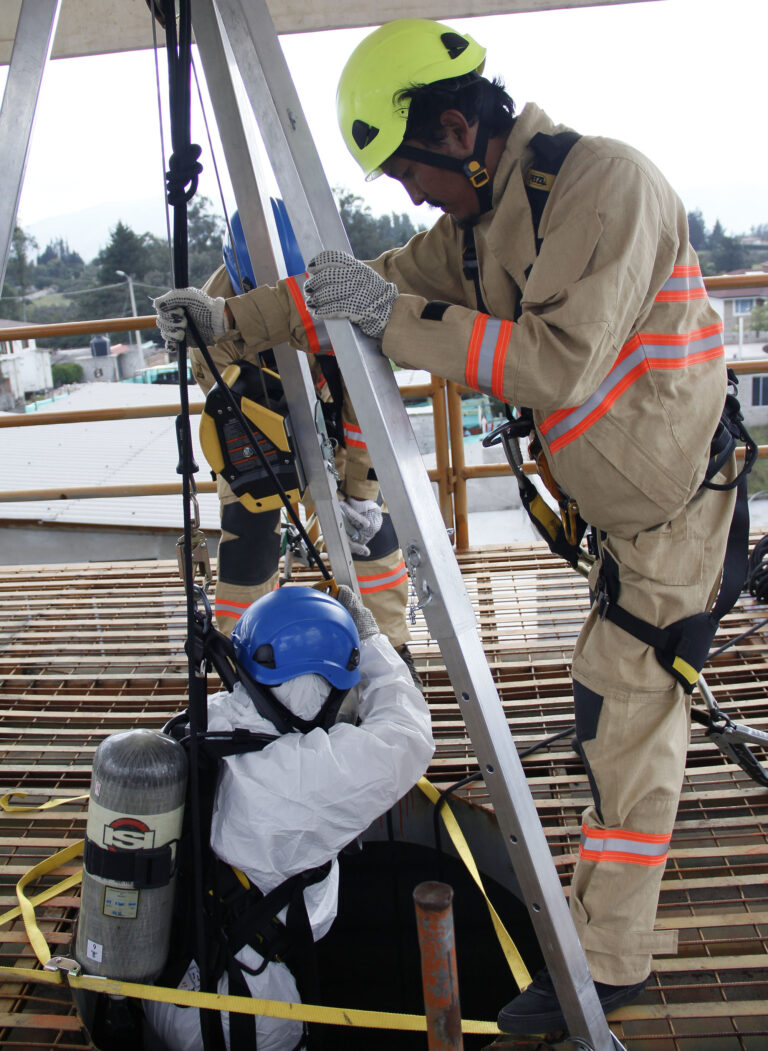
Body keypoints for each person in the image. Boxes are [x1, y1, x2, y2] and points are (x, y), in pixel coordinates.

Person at [154, 16, 738, 1035]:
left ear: (462, 129)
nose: (410, 194)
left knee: (628, 721)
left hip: (678, 518)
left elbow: (551, 362)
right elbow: (342, 296)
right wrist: (228, 320)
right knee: (618, 713)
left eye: (414, 170)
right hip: (626, 523)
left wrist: (383, 312)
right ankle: (604, 943)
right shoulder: (480, 221)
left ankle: (608, 966)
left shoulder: (606, 188)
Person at [143, 583, 434, 1050]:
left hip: (165, 980)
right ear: (321, 690)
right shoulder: (303, 776)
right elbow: (408, 737)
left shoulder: (206, 723)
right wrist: (373, 644)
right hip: (245, 1015)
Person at [189, 207, 419, 687]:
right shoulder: (212, 313)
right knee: (247, 550)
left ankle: (391, 653)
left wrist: (357, 489)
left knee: (372, 543)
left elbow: (364, 401)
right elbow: (229, 404)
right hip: (257, 442)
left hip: (332, 422)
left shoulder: (339, 285)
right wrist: (279, 463)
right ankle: (243, 670)